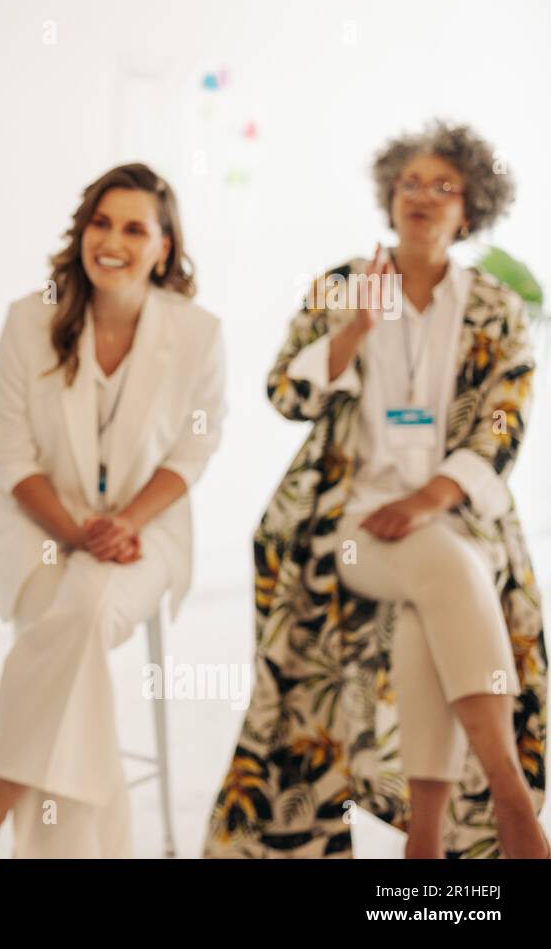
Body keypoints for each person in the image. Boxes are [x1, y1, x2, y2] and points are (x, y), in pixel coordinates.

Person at [206, 120, 548, 859]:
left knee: (438, 600)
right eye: (409, 182)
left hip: (454, 517)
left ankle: (421, 845)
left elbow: (503, 426)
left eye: (442, 185)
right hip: (352, 522)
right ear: (388, 196)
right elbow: (285, 394)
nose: (421, 195)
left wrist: (427, 502)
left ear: (470, 208)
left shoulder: (496, 307)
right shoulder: (343, 286)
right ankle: (513, 802)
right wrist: (356, 327)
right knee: (449, 572)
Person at [0, 164, 226, 857]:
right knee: (72, 625)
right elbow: (11, 454)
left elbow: (194, 451)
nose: (112, 240)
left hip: (146, 530)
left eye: (135, 228)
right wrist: (77, 532)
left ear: (164, 246)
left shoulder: (197, 333)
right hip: (35, 524)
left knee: (71, 616)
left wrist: (126, 522)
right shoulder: (30, 317)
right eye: (100, 223)